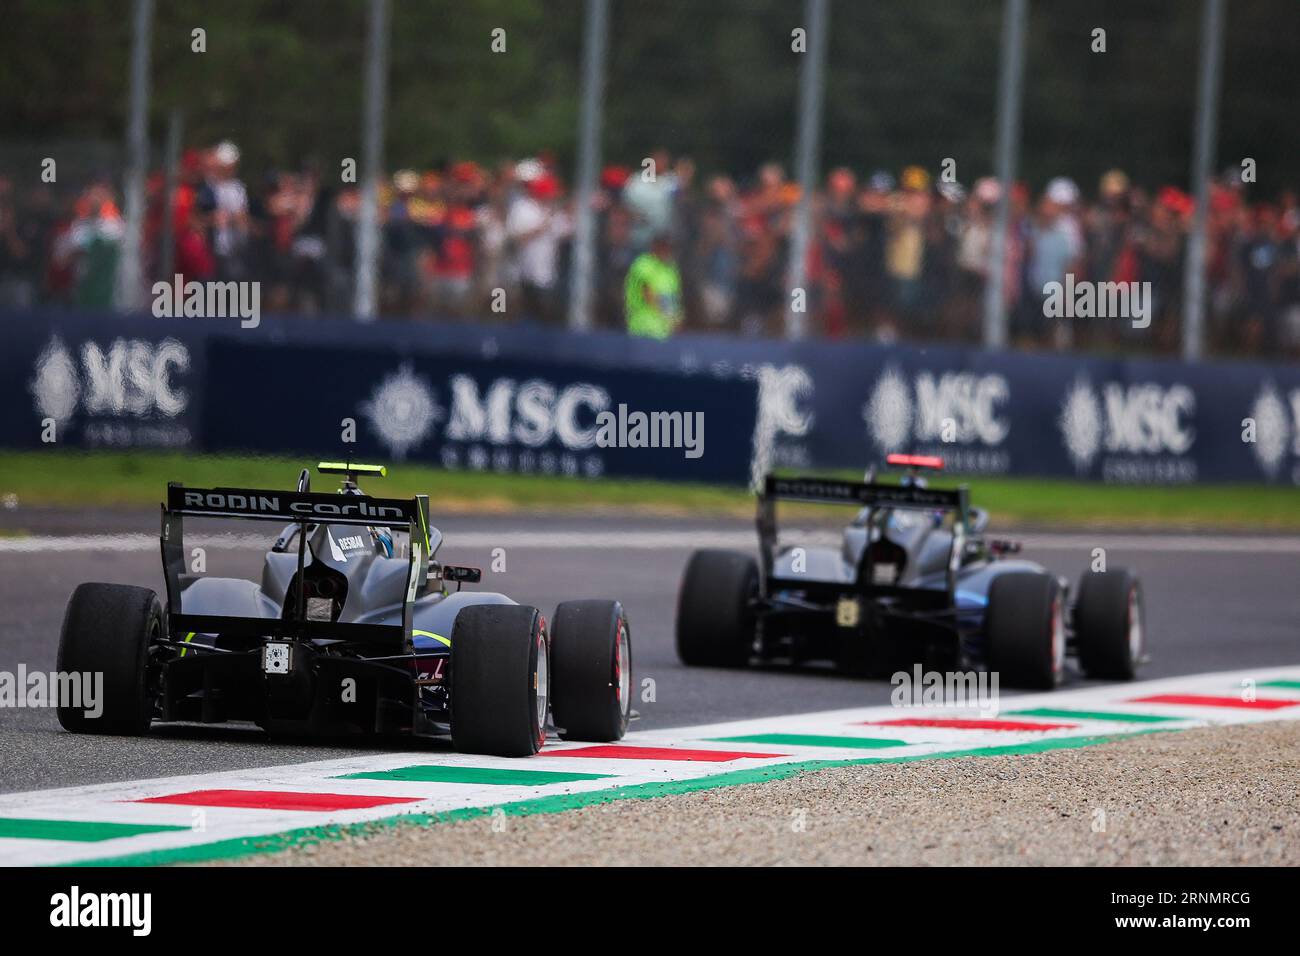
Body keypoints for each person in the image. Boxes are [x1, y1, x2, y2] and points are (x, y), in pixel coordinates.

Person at [624, 232, 682, 339]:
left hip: (665, 334)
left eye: (668, 247)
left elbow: (674, 299)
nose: (665, 251)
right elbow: (648, 294)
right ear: (654, 246)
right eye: (662, 246)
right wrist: (670, 316)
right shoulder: (643, 264)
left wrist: (676, 320)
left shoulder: (671, 270)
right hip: (643, 330)